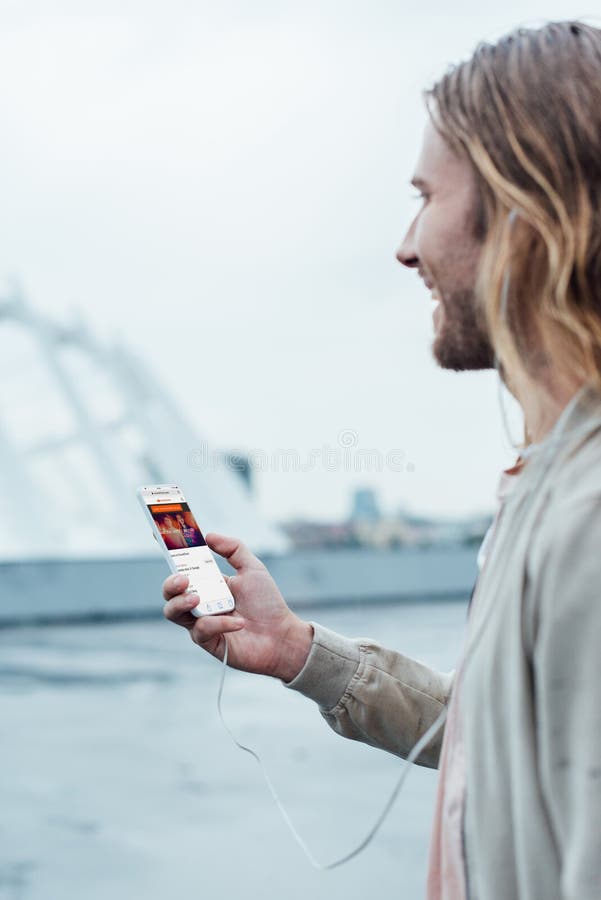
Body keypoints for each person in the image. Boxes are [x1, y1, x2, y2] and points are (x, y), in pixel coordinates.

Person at [162, 20, 601, 900]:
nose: (405, 247)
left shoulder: (587, 516)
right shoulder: (547, 483)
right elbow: (505, 745)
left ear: (523, 214)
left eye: (424, 197)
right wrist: (296, 651)